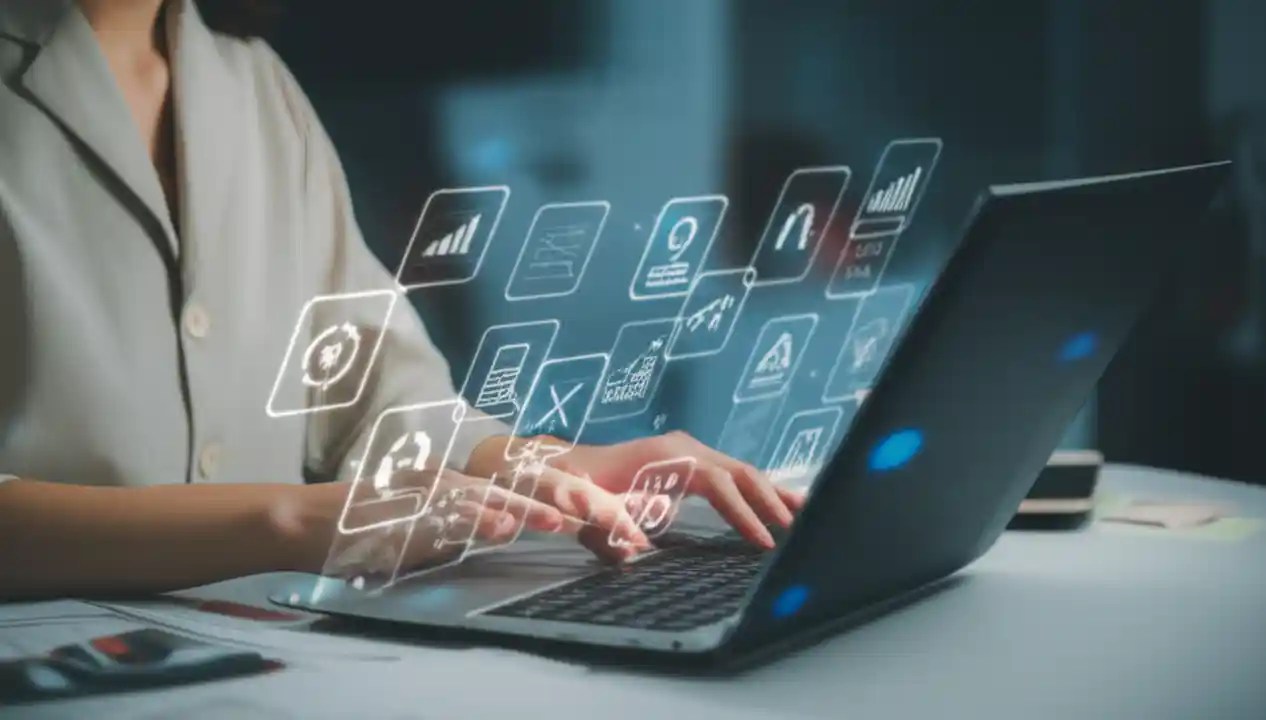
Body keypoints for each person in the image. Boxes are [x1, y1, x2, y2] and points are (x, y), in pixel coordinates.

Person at [0, 0, 803, 598]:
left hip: (270, 654)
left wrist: (547, 464)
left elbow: (380, 399)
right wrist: (292, 522)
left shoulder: (254, 87)